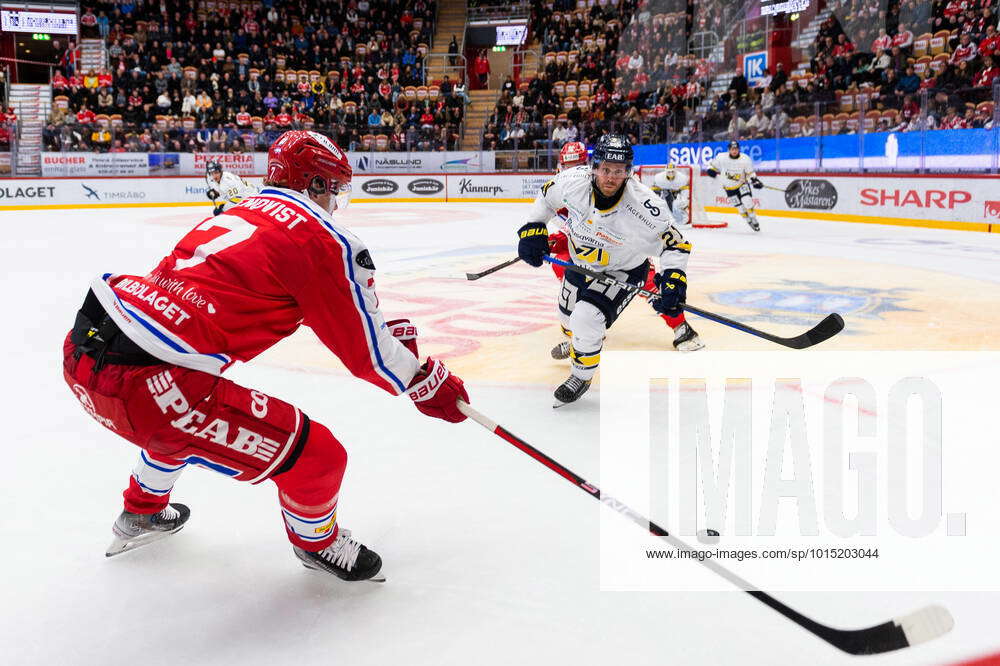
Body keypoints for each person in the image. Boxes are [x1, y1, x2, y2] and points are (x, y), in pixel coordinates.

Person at [62, 130, 470, 582]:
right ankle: (318, 544)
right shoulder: (327, 240)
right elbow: (368, 357)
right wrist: (427, 380)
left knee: (184, 423)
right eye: (334, 189)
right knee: (318, 456)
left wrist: (380, 341)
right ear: (317, 184)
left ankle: (142, 511)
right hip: (151, 390)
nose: (335, 202)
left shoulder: (241, 208)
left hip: (86, 349)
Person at [515, 134, 702, 407]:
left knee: (586, 318)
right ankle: (582, 342)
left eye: (619, 171)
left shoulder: (645, 206)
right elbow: (546, 197)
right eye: (605, 169)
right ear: (594, 167)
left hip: (622, 270)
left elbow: (675, 243)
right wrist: (534, 228)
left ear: (629, 172)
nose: (611, 177)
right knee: (566, 317)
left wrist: (674, 278)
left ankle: (581, 374)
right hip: (581, 262)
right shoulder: (572, 181)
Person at [706, 140, 764, 232]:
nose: (734, 151)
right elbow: (711, 166)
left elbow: (750, 173)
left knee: (747, 201)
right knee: (740, 208)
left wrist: (754, 180)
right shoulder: (721, 157)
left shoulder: (745, 159)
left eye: (736, 149)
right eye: (732, 149)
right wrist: (711, 171)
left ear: (739, 149)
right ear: (729, 150)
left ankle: (753, 218)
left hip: (741, 184)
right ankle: (748, 220)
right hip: (729, 187)